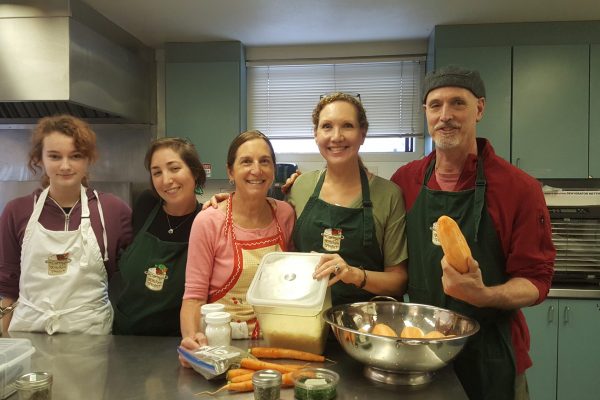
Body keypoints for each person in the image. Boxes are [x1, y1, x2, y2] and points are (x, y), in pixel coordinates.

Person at [390, 65, 555, 400]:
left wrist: (484, 295)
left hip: (490, 353)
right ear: (425, 112)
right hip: (423, 350)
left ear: (479, 108)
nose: (445, 115)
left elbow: (536, 280)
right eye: (435, 105)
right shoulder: (404, 181)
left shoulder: (518, 188)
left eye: (458, 104)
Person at [0, 114, 132, 335]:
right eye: (54, 156)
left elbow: (134, 272)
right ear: (39, 159)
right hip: (28, 334)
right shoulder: (17, 211)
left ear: (88, 159)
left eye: (75, 156)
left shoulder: (112, 210)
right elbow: (7, 286)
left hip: (92, 336)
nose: (65, 165)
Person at [179, 130, 295, 358]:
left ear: (273, 170)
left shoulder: (285, 214)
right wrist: (192, 339)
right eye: (246, 162)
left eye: (265, 161)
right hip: (221, 347)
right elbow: (194, 297)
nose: (256, 170)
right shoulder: (209, 221)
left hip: (276, 344)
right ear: (230, 171)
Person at [287, 92, 408, 306]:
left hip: (367, 324)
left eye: (347, 126)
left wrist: (353, 274)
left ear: (363, 133)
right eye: (326, 126)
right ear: (315, 134)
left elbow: (398, 282)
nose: (336, 137)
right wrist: (223, 203)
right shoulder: (300, 187)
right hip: (307, 318)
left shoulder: (389, 195)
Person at [112, 138, 206, 336]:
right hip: (124, 338)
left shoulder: (206, 220)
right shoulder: (145, 206)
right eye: (157, 172)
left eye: (174, 168)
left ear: (195, 172)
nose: (166, 180)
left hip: (175, 342)